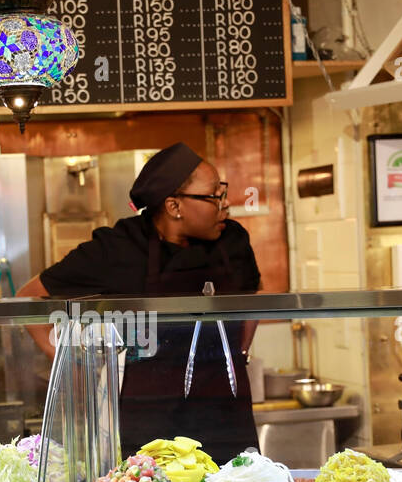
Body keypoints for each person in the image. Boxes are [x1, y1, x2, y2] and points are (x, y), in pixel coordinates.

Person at [17, 142, 262, 463]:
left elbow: (255, 297)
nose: (225, 204)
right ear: (175, 206)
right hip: (149, 422)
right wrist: (76, 362)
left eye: (223, 191)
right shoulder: (117, 248)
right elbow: (28, 300)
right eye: (214, 194)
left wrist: (238, 353)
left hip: (225, 414)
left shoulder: (233, 241)